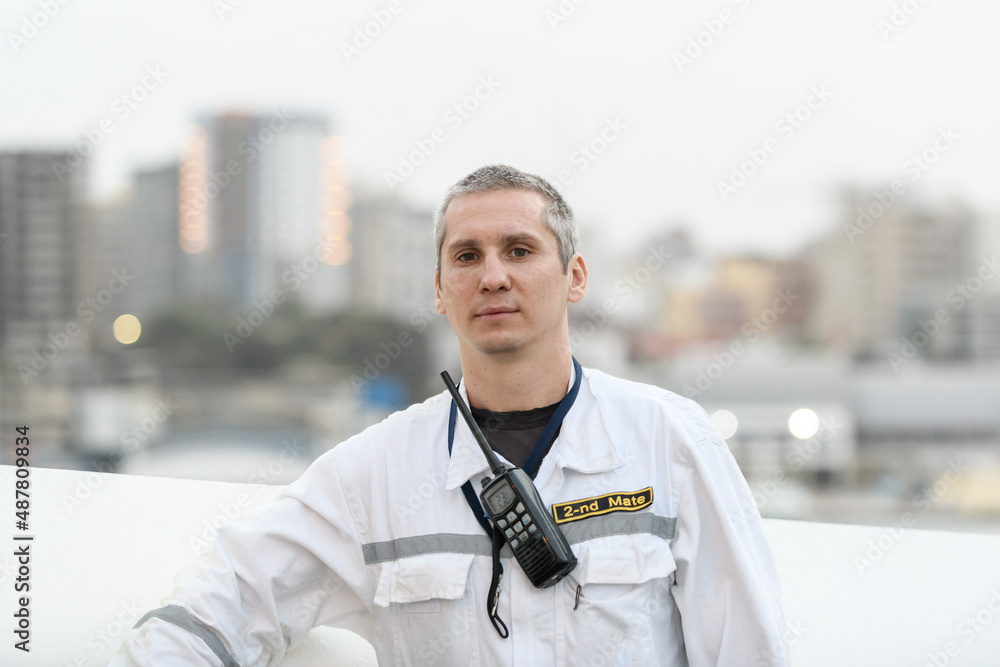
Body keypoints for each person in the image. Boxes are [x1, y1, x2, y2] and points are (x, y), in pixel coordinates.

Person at [110, 164, 788, 666]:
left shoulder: (669, 440)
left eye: (519, 250)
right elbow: (221, 606)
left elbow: (748, 649)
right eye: (467, 256)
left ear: (575, 276)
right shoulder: (374, 472)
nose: (492, 275)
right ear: (440, 289)